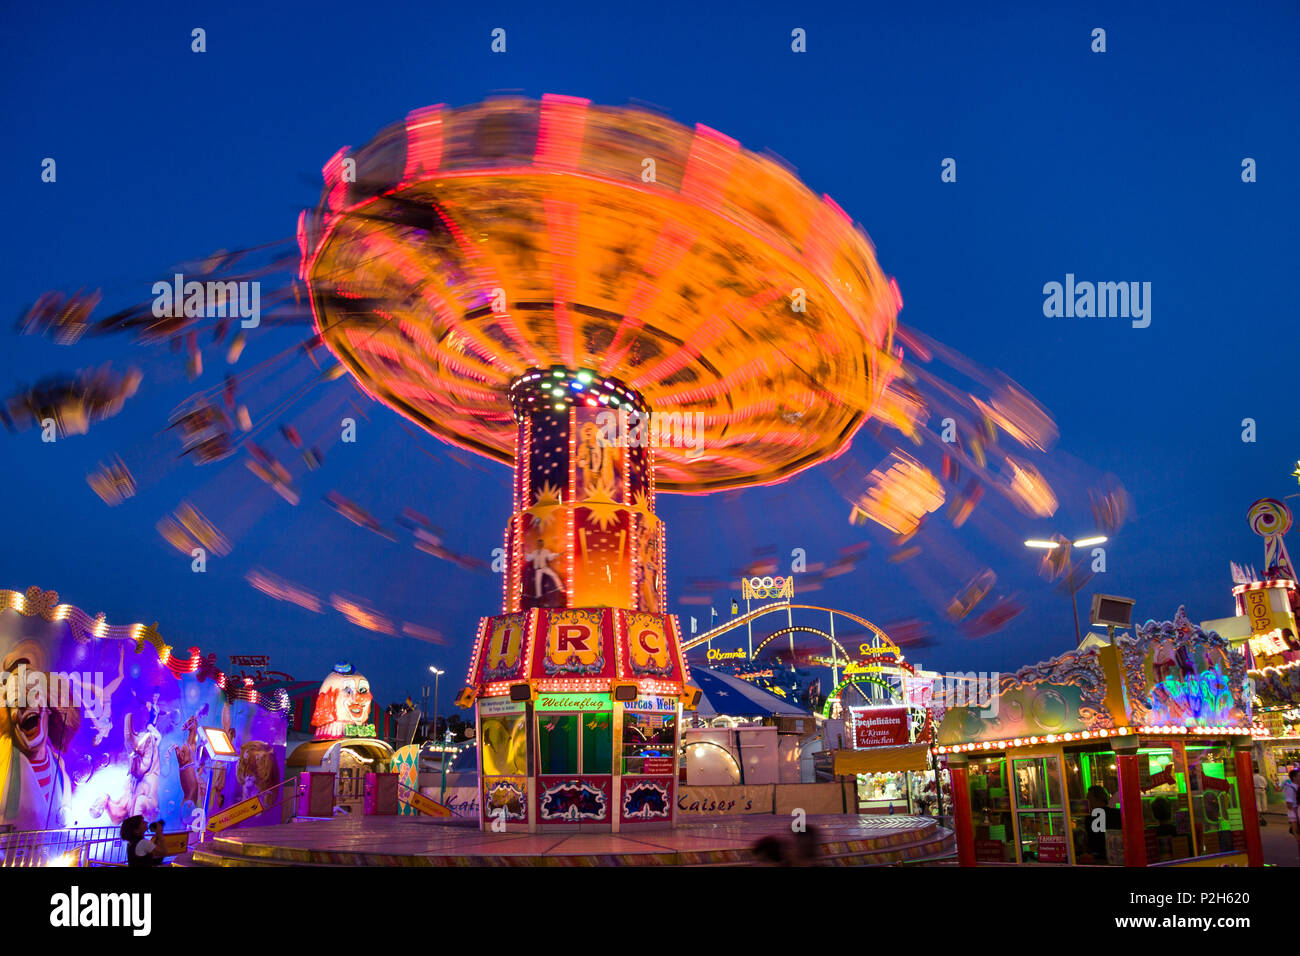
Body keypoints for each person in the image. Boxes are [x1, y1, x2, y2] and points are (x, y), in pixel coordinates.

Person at [1085, 785, 1122, 863]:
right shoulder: (1117, 814)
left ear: (1097, 799)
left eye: (1089, 798)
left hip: (1097, 859)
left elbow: (1090, 842)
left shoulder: (1090, 818)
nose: (1087, 801)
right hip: (1117, 857)